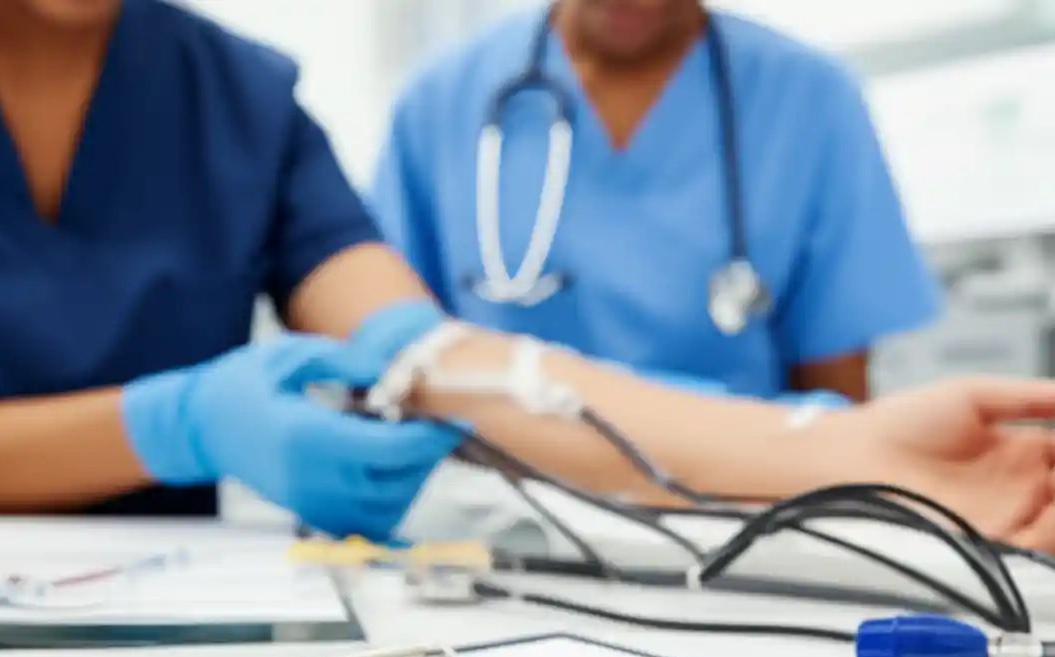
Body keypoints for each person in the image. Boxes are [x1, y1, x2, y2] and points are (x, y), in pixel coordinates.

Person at [0, 0, 1055, 556]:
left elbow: (440, 362)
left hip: (157, 618)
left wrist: (848, 456)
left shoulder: (244, 100)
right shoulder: (431, 102)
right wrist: (170, 422)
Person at [372, 0, 940, 405]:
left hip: (740, 501)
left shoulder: (810, 98)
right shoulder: (437, 104)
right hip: (494, 500)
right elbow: (389, 353)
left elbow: (837, 395)